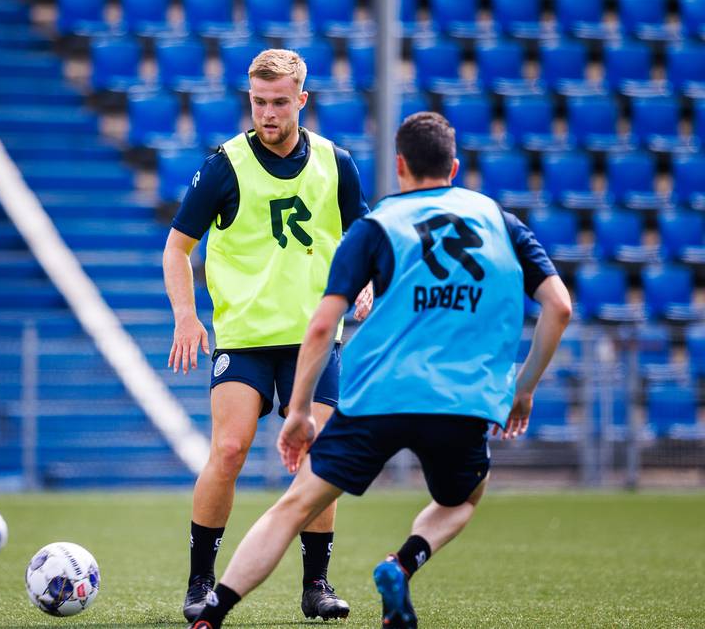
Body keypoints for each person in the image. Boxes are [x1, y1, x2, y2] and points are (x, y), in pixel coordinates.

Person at [189, 112, 572, 629]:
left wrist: (298, 411)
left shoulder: (379, 224)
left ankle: (215, 611)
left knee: (295, 502)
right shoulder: (498, 219)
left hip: (380, 392)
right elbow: (559, 308)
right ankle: (403, 562)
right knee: (462, 498)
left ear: (400, 166)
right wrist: (522, 391)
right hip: (460, 399)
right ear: (454, 166)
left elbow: (323, 324)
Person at [163, 48, 373, 622]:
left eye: (279, 102)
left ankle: (317, 585)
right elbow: (177, 247)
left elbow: (367, 235)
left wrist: (365, 282)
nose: (267, 113)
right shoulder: (225, 165)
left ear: (301, 100)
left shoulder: (337, 163)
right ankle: (201, 580)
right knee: (228, 450)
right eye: (258, 102)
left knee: (319, 457)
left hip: (313, 340)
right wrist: (187, 314)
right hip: (245, 338)